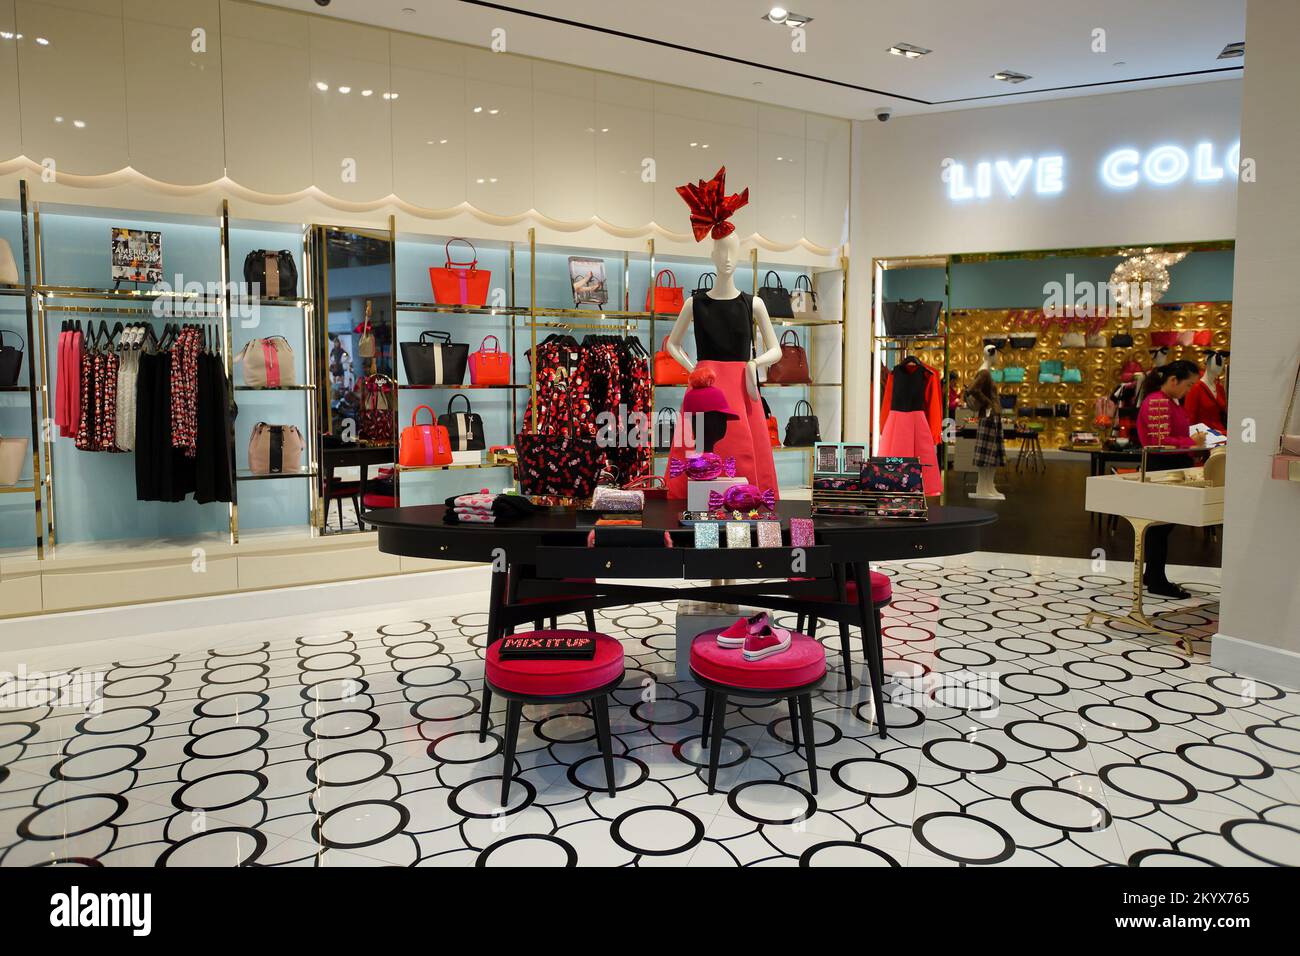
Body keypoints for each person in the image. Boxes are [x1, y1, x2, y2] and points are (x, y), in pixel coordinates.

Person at [1135, 360, 1206, 598]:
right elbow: (1159, 442)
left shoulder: (1169, 402)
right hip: (1163, 469)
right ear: (1174, 380)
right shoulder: (1157, 402)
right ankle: (1156, 578)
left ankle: (1153, 574)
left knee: (1161, 527)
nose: (1189, 391)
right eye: (1188, 385)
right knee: (1160, 528)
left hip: (1170, 467)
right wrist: (1191, 443)